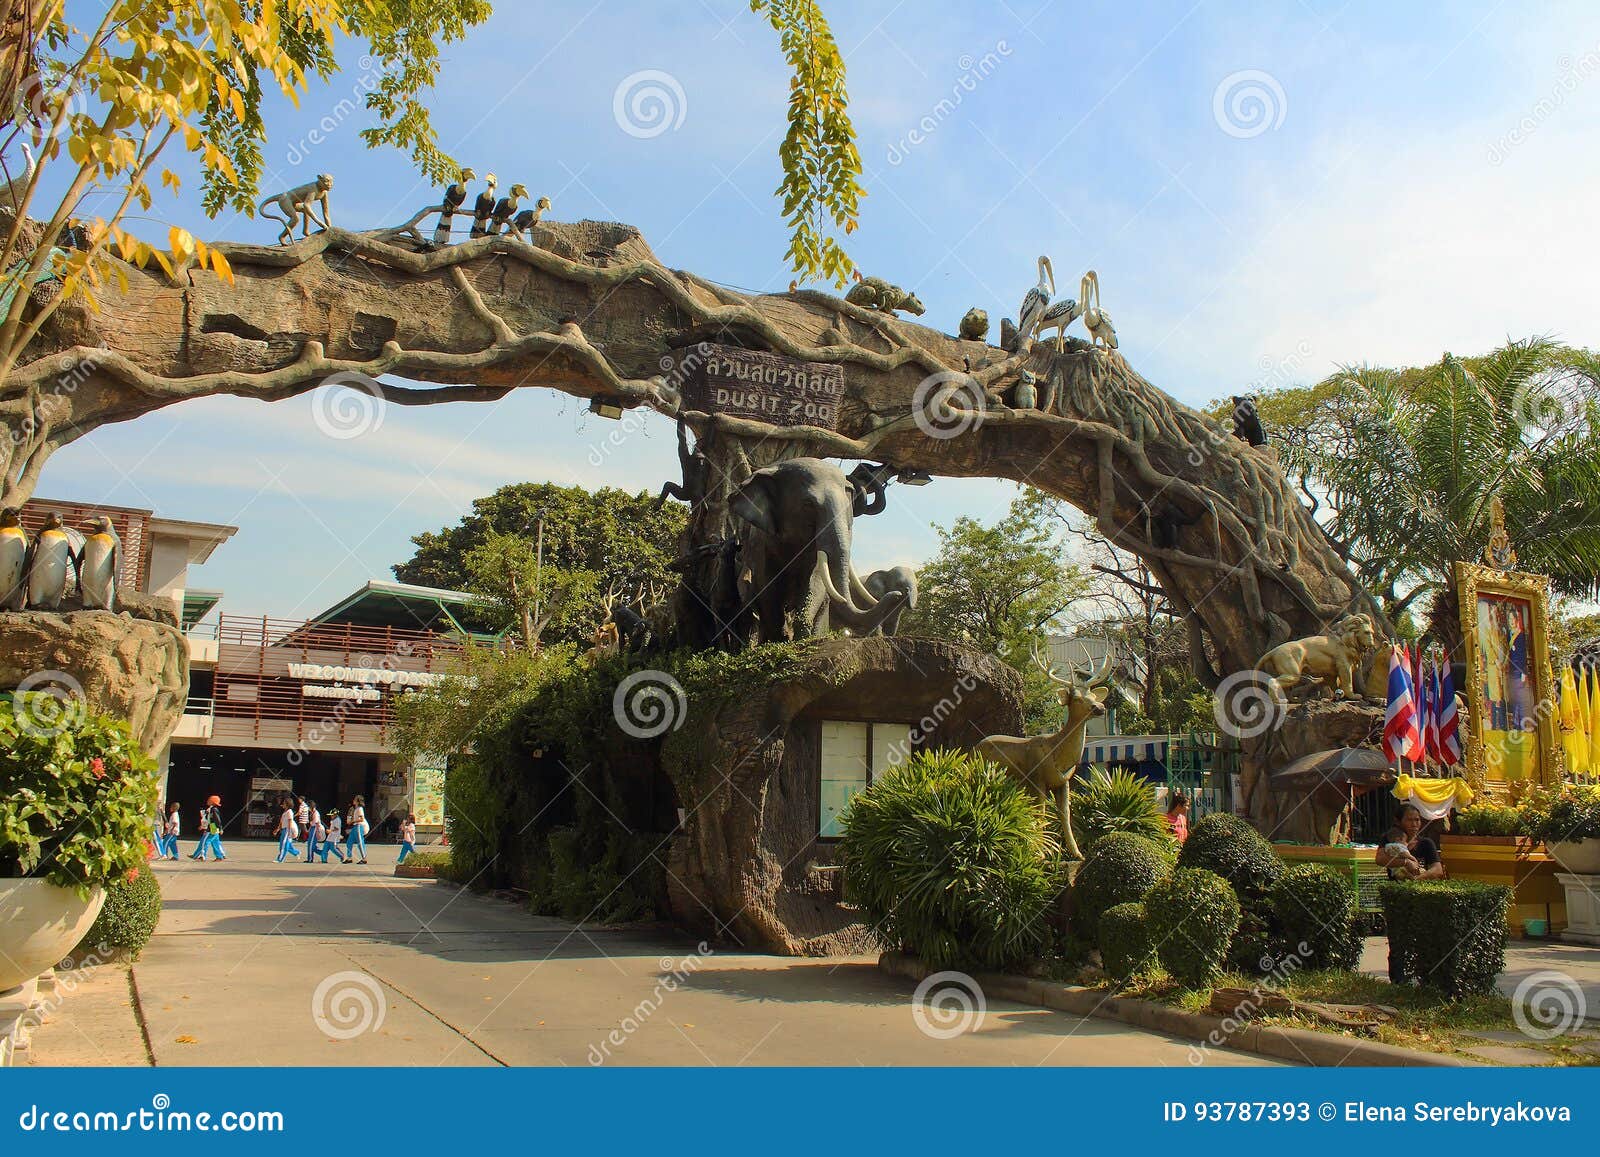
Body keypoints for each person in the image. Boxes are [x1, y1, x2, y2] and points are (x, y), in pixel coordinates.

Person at [1374, 803, 1446, 984]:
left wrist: (1419, 878)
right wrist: (1404, 863)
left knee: (1423, 941)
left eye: (1417, 820)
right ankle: (1398, 982)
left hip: (1421, 898)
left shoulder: (1426, 844)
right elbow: (1380, 859)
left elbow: (1437, 870)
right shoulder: (1389, 841)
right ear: (1398, 821)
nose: (1415, 824)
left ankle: (1426, 981)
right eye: (1410, 820)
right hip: (1397, 898)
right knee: (1398, 941)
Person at [275, 795, 302, 862]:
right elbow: (281, 822)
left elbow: (290, 822)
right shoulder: (285, 812)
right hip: (284, 829)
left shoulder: (289, 812)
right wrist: (277, 829)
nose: (282, 804)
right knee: (287, 845)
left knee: (283, 845)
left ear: (287, 804)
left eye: (284, 803)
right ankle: (296, 852)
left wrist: (289, 831)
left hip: (287, 829)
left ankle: (280, 859)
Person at [200, 795, 228, 861]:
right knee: (215, 842)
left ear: (212, 802)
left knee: (205, 841)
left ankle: (203, 856)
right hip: (213, 827)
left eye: (209, 800)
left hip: (212, 827)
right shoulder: (211, 809)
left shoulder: (213, 810)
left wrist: (220, 828)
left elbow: (217, 820)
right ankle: (219, 856)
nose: (207, 801)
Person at [344, 795, 369, 864]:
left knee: (360, 842)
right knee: (349, 842)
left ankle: (364, 858)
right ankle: (349, 858)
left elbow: (361, 819)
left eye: (355, 799)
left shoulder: (360, 809)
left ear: (358, 801)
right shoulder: (356, 808)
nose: (353, 800)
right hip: (356, 826)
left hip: (359, 826)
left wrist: (352, 821)